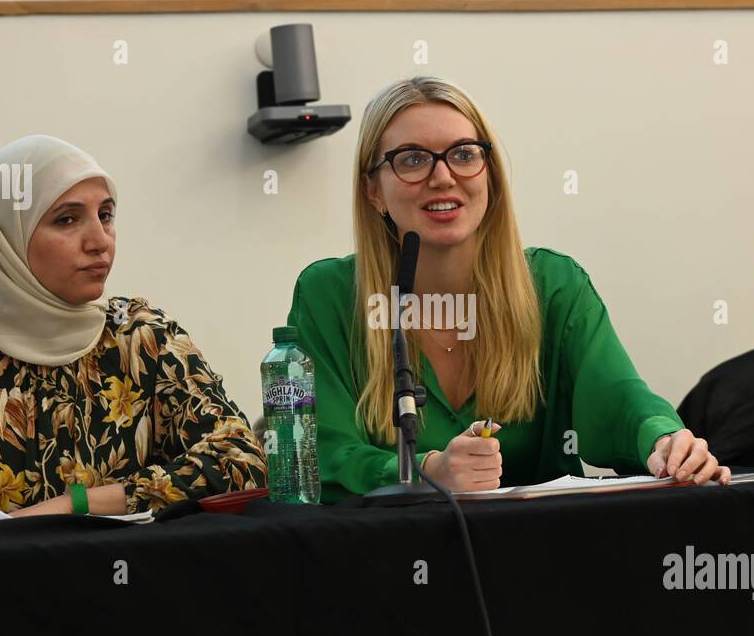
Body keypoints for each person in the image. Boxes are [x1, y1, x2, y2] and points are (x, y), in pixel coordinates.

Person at [287, 76, 730, 503]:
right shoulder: (328, 296)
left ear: (490, 174)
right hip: (385, 560)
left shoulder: (555, 285)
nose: (442, 177)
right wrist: (425, 472)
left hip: (537, 556)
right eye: (413, 159)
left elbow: (620, 400)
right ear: (373, 191)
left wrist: (665, 438)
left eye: (463, 154)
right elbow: (319, 458)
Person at [0, 135, 265, 538]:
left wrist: (75, 505)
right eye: (68, 219)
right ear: (5, 238)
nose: (100, 241)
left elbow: (240, 459)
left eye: (106, 215)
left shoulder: (142, 337)